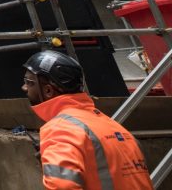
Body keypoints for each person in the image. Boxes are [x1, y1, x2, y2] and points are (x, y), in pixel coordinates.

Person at [22, 50, 153, 190]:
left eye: (28, 83)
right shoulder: (112, 125)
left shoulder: (60, 129)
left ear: (48, 91)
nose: (24, 88)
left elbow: (62, 186)